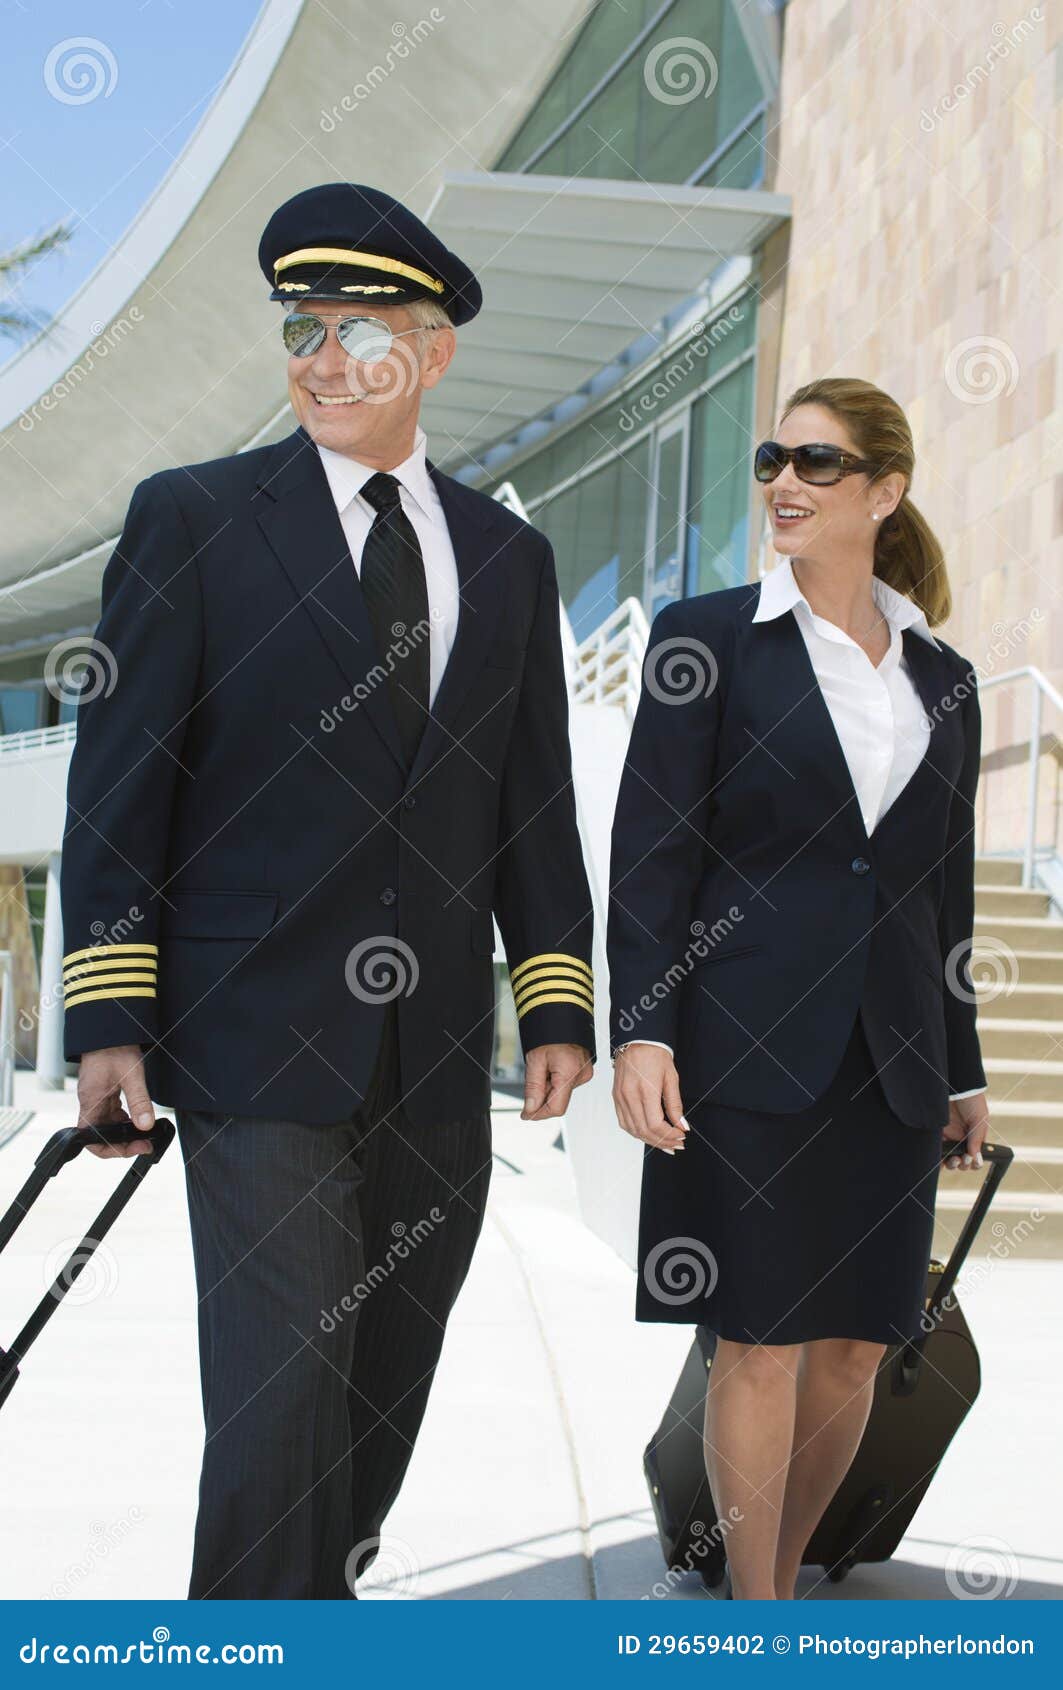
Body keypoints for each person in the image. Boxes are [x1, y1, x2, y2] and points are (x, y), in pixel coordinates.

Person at [59, 182, 595, 1599]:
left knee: (376, 1395)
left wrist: (554, 997)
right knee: (281, 1399)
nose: (316, 356)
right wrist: (110, 1012)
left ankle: (311, 1617)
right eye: (300, 327)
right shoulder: (193, 521)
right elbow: (122, 780)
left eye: (355, 329)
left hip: (431, 1059)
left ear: (431, 352)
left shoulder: (506, 554)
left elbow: (529, 798)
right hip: (252, 1042)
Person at [608, 377, 990, 1601]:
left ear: (883, 492)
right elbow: (652, 847)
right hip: (739, 1042)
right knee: (758, 1345)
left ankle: (776, 1576)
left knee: (856, 1352)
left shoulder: (944, 678)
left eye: (817, 464)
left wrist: (965, 1064)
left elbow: (943, 889)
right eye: (774, 455)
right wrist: (642, 1028)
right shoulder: (704, 637)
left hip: (893, 1056)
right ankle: (756, 1617)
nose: (783, 479)